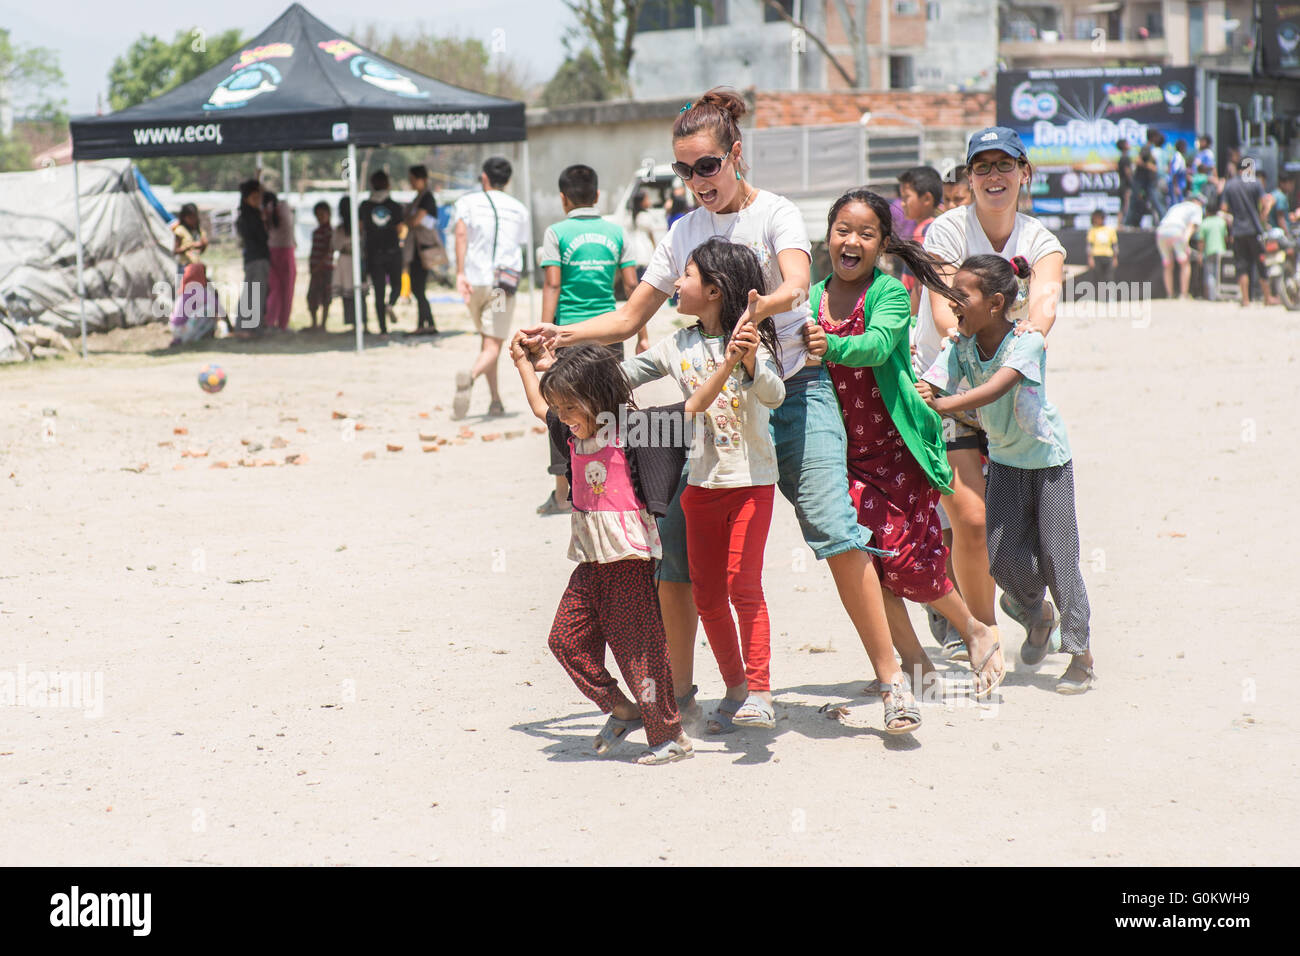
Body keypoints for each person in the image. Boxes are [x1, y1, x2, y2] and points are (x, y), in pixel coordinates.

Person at [523, 88, 927, 736]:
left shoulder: (775, 214)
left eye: (706, 166)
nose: (696, 182)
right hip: (712, 421)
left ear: (736, 154)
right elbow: (631, 318)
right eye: (684, 170)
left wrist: (758, 313)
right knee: (673, 550)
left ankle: (892, 684)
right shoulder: (683, 231)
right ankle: (676, 697)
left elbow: (797, 282)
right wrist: (559, 335)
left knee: (833, 529)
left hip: (792, 390)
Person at [808, 189, 1005, 697]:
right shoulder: (812, 297)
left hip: (897, 448)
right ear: (828, 234)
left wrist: (826, 343)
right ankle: (914, 661)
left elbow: (874, 347)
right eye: (842, 230)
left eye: (866, 234)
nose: (851, 241)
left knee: (905, 557)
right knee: (865, 558)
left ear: (883, 243)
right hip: (842, 453)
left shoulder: (890, 294)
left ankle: (974, 628)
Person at [623, 238, 786, 730]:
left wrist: (753, 360)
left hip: (751, 482)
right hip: (698, 490)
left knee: (743, 586)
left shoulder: (752, 337)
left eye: (687, 275)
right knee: (708, 597)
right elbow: (622, 377)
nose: (676, 283)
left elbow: (774, 396)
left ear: (714, 290)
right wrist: (567, 369)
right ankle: (735, 689)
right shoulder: (677, 346)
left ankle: (760, 690)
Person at [914, 126, 1066, 653]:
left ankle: (1029, 607)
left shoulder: (1041, 241)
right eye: (983, 167)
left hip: (1006, 391)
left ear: (1025, 173)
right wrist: (958, 338)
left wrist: (1031, 336)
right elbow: (941, 302)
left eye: (1006, 165)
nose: (994, 176)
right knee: (969, 517)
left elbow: (1044, 302)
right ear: (969, 177)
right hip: (948, 383)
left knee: (1012, 531)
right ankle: (981, 637)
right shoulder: (946, 230)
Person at [918, 255, 1094, 693]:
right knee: (1002, 558)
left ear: (996, 302)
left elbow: (999, 385)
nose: (953, 303)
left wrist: (942, 405)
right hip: (1005, 464)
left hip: (1048, 463)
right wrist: (921, 391)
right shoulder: (960, 345)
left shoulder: (1026, 342)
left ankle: (1081, 654)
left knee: (1058, 558)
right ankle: (1038, 614)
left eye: (963, 296)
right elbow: (936, 380)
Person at [511, 342, 694, 765]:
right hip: (591, 562)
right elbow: (541, 410)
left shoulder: (635, 429)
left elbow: (692, 406)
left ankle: (670, 738)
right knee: (565, 640)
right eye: (561, 408)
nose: (564, 418)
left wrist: (728, 364)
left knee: (640, 653)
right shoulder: (568, 430)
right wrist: (522, 363)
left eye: (571, 408)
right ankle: (623, 709)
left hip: (628, 562)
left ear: (598, 398)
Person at [536, 164, 641, 517]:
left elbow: (552, 284)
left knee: (562, 407)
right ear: (596, 196)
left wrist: (544, 332)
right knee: (610, 405)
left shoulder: (556, 233)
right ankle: (617, 477)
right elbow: (631, 286)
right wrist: (640, 333)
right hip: (610, 332)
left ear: (564, 199)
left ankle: (564, 491)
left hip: (567, 334)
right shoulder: (616, 232)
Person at [453, 156, 531, 419]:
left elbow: (461, 234)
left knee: (488, 343)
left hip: (474, 282)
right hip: (501, 286)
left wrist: (460, 272)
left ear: (484, 177)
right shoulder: (519, 209)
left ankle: (495, 401)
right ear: (508, 180)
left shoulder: (466, 203)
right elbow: (520, 243)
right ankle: (470, 377)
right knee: (492, 346)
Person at [1220, 160, 1273, 307]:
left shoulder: (1229, 185)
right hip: (1254, 230)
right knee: (1261, 263)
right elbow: (1266, 202)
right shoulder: (1255, 183)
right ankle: (1267, 298)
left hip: (1238, 231)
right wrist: (1263, 216)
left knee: (1241, 265)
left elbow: (1223, 208)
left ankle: (1245, 300)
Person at [358, 171, 405, 336]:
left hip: (373, 252)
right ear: (387, 184)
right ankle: (390, 304)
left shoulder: (364, 206)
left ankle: (383, 329)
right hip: (392, 251)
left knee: (378, 291)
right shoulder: (394, 206)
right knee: (397, 285)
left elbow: (360, 227)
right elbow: (400, 229)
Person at [897, 165, 944, 316]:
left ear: (927, 199)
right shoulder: (930, 227)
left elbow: (921, 284)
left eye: (906, 197)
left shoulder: (926, 231)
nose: (902, 203)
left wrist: (910, 318)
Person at [404, 164, 441, 333]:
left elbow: (415, 221)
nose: (411, 182)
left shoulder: (427, 198)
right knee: (418, 289)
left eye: (413, 179)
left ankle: (428, 325)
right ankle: (424, 324)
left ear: (422, 180)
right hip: (417, 249)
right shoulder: (418, 197)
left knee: (419, 289)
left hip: (423, 250)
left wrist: (407, 219)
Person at [235, 179, 269, 336]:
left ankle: (251, 327)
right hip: (256, 260)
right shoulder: (248, 218)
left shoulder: (253, 215)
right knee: (253, 294)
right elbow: (260, 238)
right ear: (246, 198)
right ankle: (245, 328)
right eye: (254, 197)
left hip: (257, 259)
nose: (258, 200)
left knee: (256, 294)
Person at [1156, 194, 1204, 300]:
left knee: (1168, 264)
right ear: (1196, 201)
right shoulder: (1196, 208)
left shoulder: (1176, 206)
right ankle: (1183, 294)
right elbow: (1191, 226)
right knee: (1184, 262)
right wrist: (1185, 243)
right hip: (1177, 231)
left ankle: (1169, 294)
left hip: (1161, 231)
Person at [263, 191, 296, 332]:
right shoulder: (284, 207)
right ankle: (283, 324)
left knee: (274, 290)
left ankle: (269, 321)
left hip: (271, 252)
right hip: (287, 252)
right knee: (286, 290)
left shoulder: (265, 212)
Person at [333, 196, 366, 328]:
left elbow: (335, 245)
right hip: (351, 261)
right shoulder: (344, 228)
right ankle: (358, 323)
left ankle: (355, 323)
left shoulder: (356, 226)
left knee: (353, 293)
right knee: (355, 293)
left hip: (350, 261)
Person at [306, 201, 334, 330]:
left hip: (325, 269)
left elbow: (328, 251)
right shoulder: (316, 231)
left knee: (325, 297)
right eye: (317, 215)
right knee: (312, 296)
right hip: (315, 268)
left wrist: (319, 266)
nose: (320, 217)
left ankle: (323, 324)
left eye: (322, 214)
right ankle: (315, 323)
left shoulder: (329, 232)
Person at [1196, 203, 1228, 301]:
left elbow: (1201, 241)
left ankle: (1212, 296)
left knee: (1210, 274)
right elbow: (1226, 237)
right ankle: (1221, 295)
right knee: (1220, 274)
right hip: (1221, 251)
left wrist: (1200, 254)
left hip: (1209, 251)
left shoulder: (1204, 223)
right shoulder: (1222, 222)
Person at [1086, 210, 1118, 281]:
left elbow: (1114, 245)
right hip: (1096, 256)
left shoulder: (1110, 230)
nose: (1097, 220)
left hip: (1108, 256)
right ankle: (1099, 292)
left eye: (1099, 218)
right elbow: (1089, 246)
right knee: (1098, 278)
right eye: (1096, 218)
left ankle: (1110, 292)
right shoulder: (1092, 230)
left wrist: (1115, 258)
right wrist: (1090, 258)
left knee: (1109, 278)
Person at [1116, 139, 1134, 226]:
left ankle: (1120, 223)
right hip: (1125, 185)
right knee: (1125, 205)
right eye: (1127, 143)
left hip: (1122, 184)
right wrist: (1132, 182)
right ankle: (1121, 224)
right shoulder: (1125, 158)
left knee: (1123, 205)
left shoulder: (1122, 158)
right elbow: (1127, 172)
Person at [1168, 139, 1189, 205]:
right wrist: (1176, 186)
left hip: (1179, 185)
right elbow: (1174, 172)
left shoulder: (1179, 157)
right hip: (1177, 185)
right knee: (1176, 205)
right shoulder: (1178, 157)